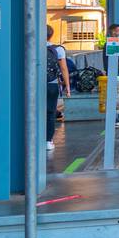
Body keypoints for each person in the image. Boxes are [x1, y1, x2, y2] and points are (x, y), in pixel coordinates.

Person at [45, 25, 70, 153]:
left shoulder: (31, 47)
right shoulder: (58, 49)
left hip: (34, 86)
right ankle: (48, 141)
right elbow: (64, 69)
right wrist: (68, 87)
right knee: (50, 112)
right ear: (51, 35)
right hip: (52, 84)